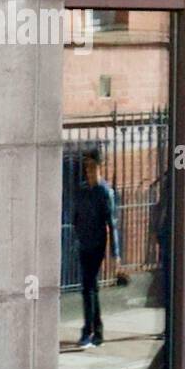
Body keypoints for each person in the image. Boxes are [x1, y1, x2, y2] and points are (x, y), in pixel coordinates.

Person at [71, 148, 122, 348]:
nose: (90, 172)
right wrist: (77, 235)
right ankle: (96, 330)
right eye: (87, 168)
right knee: (89, 287)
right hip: (84, 242)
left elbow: (112, 222)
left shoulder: (104, 192)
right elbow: (76, 217)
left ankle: (89, 331)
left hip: (97, 243)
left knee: (88, 285)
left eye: (93, 168)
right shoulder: (83, 190)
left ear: (99, 168)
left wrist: (115, 253)